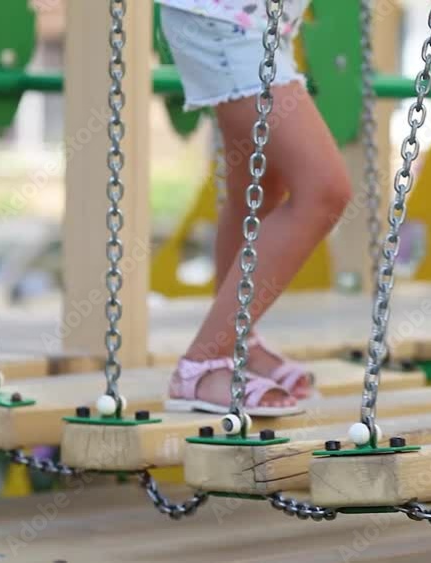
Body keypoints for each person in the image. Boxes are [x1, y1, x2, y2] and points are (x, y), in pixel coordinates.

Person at [158, 0, 353, 416]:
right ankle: (202, 364)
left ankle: (234, 344)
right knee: (324, 189)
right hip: (225, 18)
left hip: (261, 21)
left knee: (259, 185)